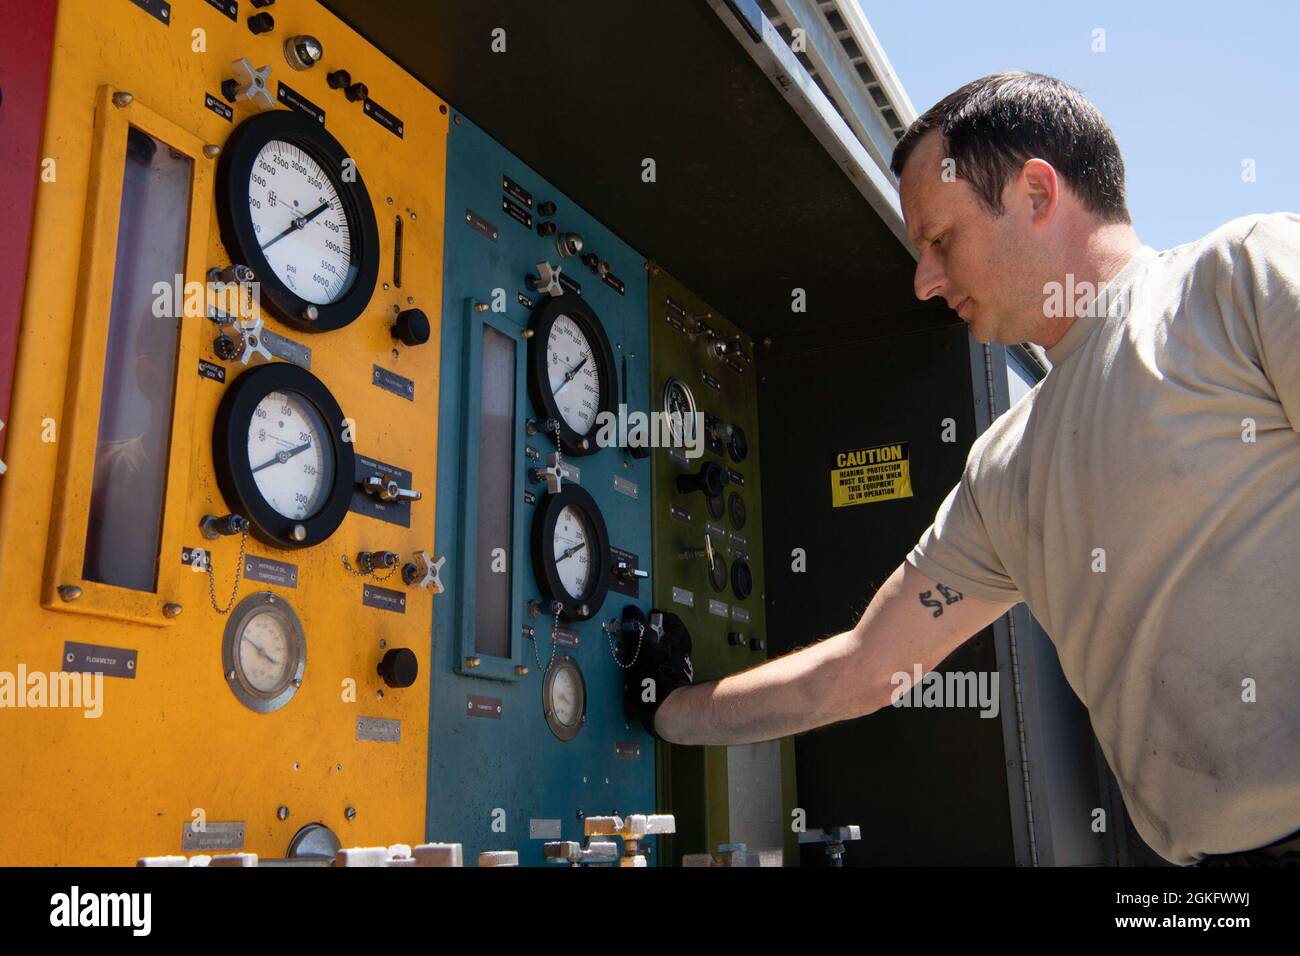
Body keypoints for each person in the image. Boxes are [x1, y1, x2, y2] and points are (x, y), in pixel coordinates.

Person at [624, 72, 1300, 867]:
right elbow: (862, 669)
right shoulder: (1004, 468)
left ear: (1036, 192)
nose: (924, 281)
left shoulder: (1238, 278)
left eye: (940, 241)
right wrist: (668, 711)